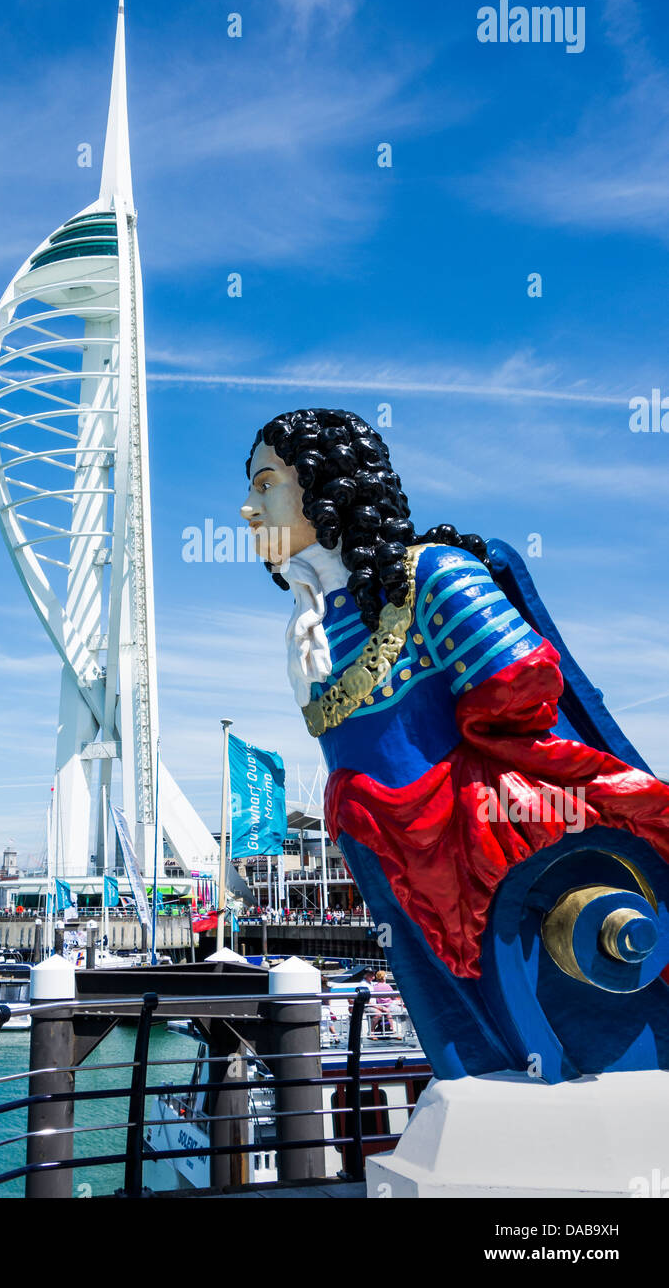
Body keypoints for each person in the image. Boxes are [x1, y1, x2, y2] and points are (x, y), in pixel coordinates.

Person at [240, 407, 669, 1082]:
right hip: (389, 857)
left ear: (330, 486)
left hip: (473, 845)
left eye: (266, 484)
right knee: (451, 1020)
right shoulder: (313, 630)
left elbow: (522, 687)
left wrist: (451, 795)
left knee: (527, 1000)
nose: (248, 508)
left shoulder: (432, 575)